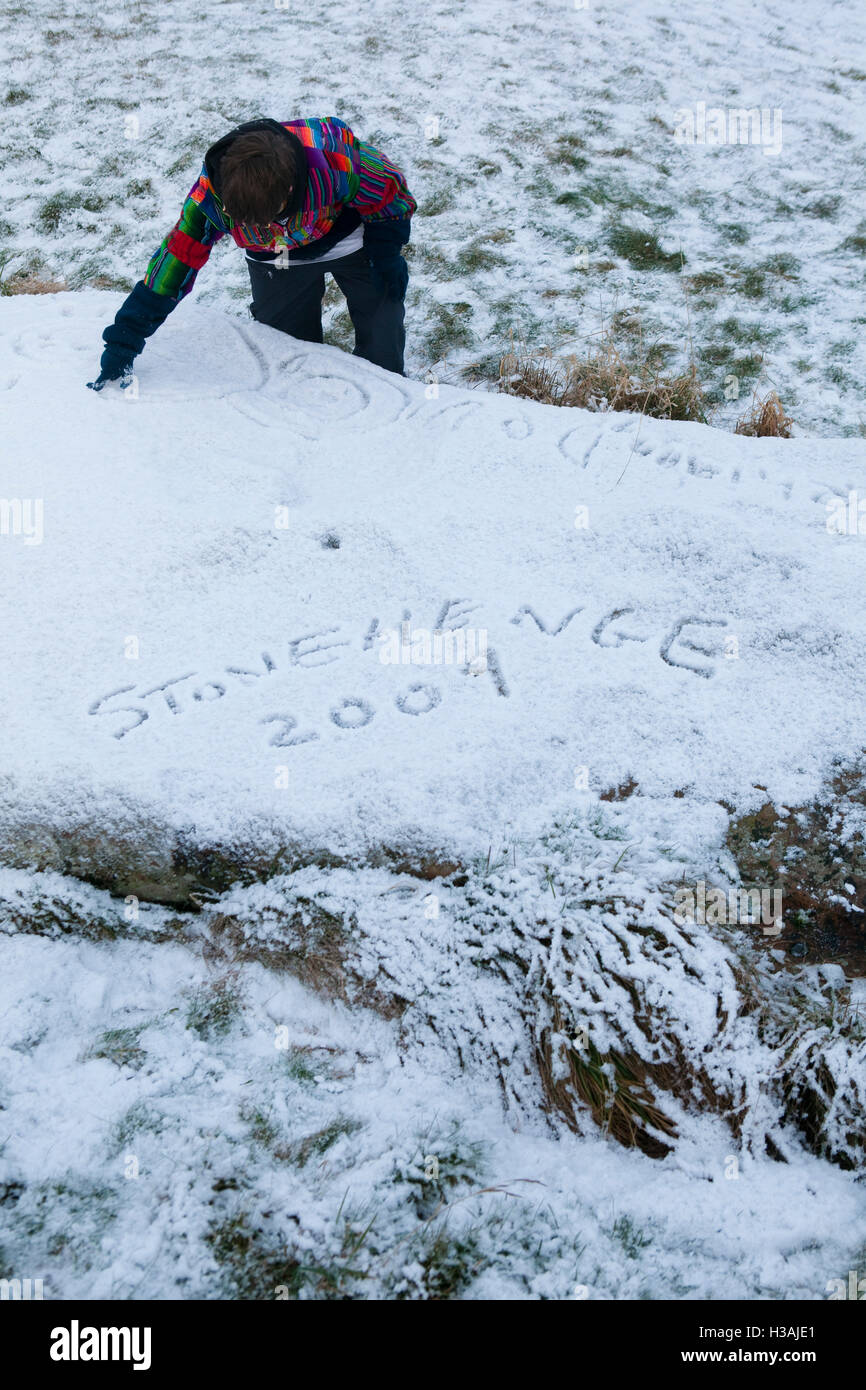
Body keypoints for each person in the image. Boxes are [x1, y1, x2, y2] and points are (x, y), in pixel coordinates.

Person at [88, 116, 416, 389]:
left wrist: (385, 253)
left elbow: (392, 195)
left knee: (382, 334)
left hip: (345, 237)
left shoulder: (332, 159)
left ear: (289, 191)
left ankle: (385, 389)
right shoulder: (211, 198)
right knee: (286, 353)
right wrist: (125, 338)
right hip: (277, 255)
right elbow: (177, 260)